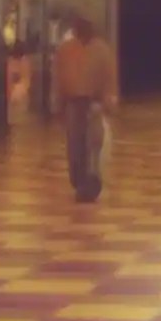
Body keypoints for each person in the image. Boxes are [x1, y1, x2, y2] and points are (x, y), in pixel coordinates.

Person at [51, 16, 117, 203]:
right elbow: (58, 77)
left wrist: (107, 101)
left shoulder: (101, 50)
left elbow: (109, 77)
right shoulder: (66, 50)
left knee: (93, 144)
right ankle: (78, 180)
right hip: (73, 104)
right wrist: (57, 103)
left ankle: (91, 181)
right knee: (74, 145)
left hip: (93, 104)